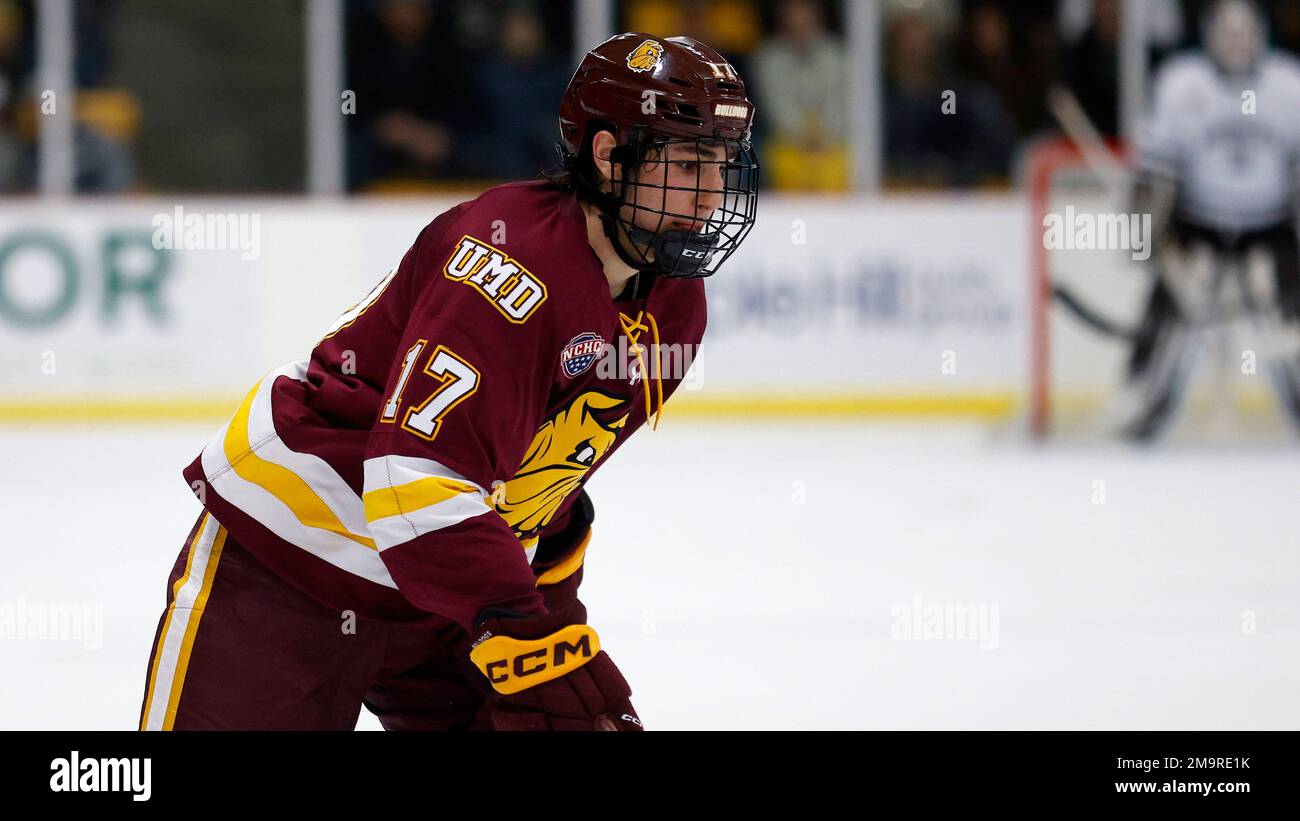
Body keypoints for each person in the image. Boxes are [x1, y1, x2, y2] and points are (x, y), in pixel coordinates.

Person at [138, 32, 758, 731]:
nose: (711, 194)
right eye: (687, 163)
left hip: (441, 597)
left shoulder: (674, 305)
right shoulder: (510, 266)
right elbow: (413, 477)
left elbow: (541, 480)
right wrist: (526, 631)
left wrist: (547, 613)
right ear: (609, 156)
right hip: (295, 565)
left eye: (722, 163)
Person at [1116, 0, 1300, 440]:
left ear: (1262, 34)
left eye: (1244, 32)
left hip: (1270, 228)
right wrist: (1146, 239)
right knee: (1173, 309)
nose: (1236, 42)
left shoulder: (1288, 84)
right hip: (1198, 226)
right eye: (1226, 32)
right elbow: (1157, 173)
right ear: (1208, 36)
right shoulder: (1182, 84)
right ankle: (1142, 402)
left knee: (1290, 322)